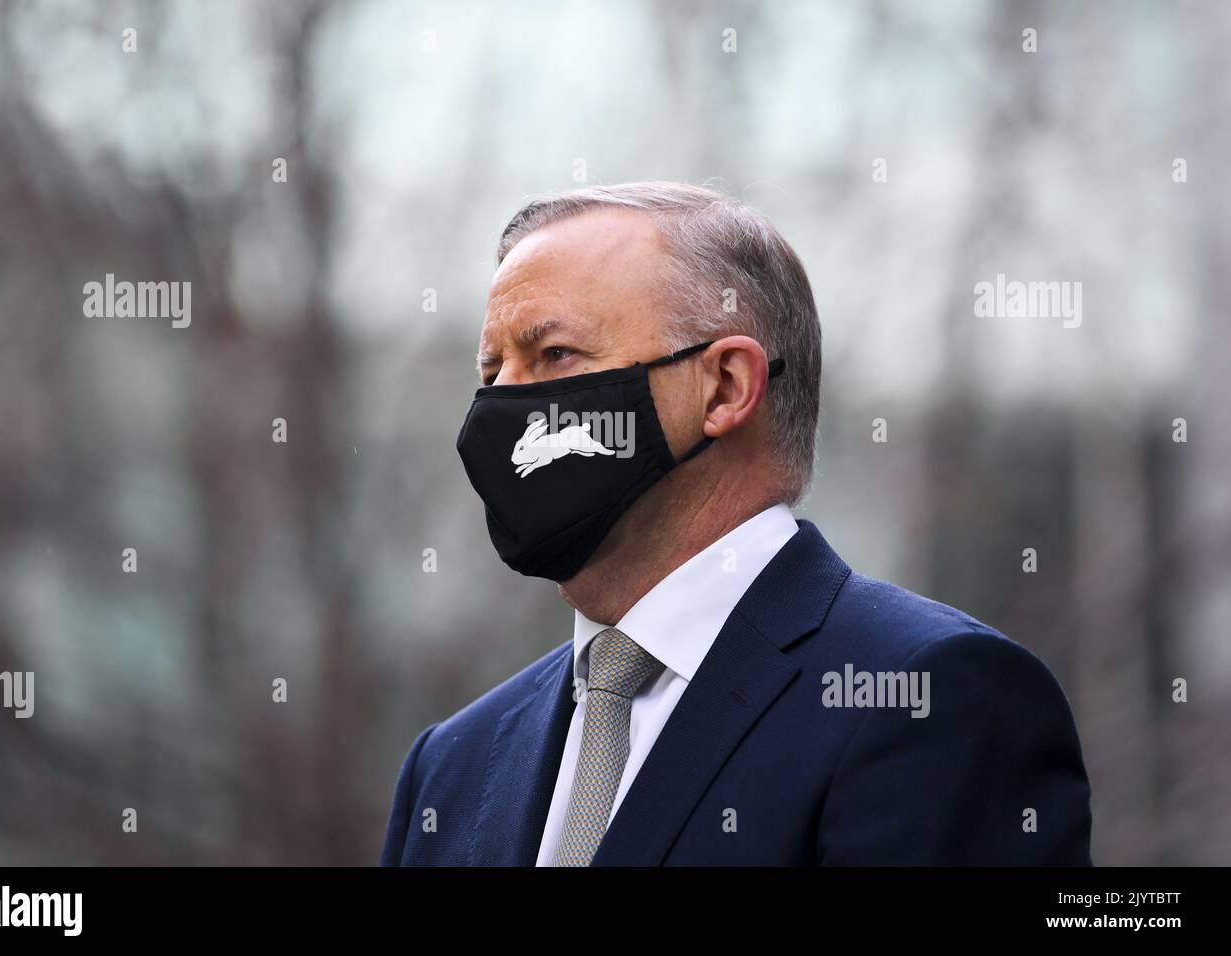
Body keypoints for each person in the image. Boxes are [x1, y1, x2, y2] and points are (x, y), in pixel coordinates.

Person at [381, 182, 1092, 866]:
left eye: (554, 355)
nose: (500, 405)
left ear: (724, 387)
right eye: (492, 368)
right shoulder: (452, 766)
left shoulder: (929, 698)